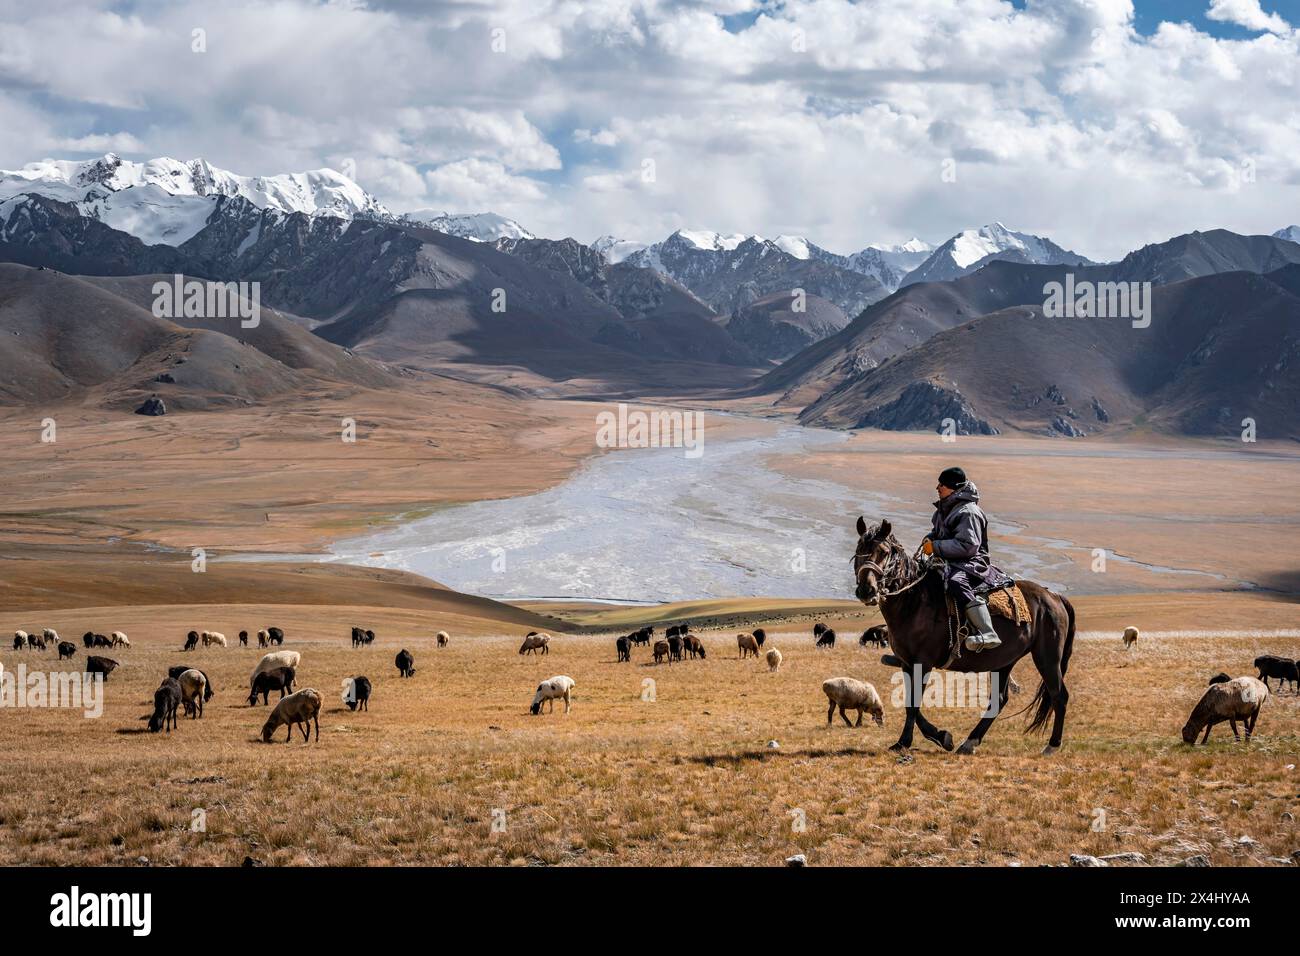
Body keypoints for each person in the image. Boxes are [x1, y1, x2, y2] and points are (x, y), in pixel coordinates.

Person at [920, 466, 1002, 653]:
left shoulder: (969, 512)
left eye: (942, 484)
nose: (937, 487)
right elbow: (941, 532)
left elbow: (968, 546)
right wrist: (931, 537)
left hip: (971, 562)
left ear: (954, 487)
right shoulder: (946, 507)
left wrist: (936, 547)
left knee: (956, 582)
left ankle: (987, 631)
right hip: (951, 559)